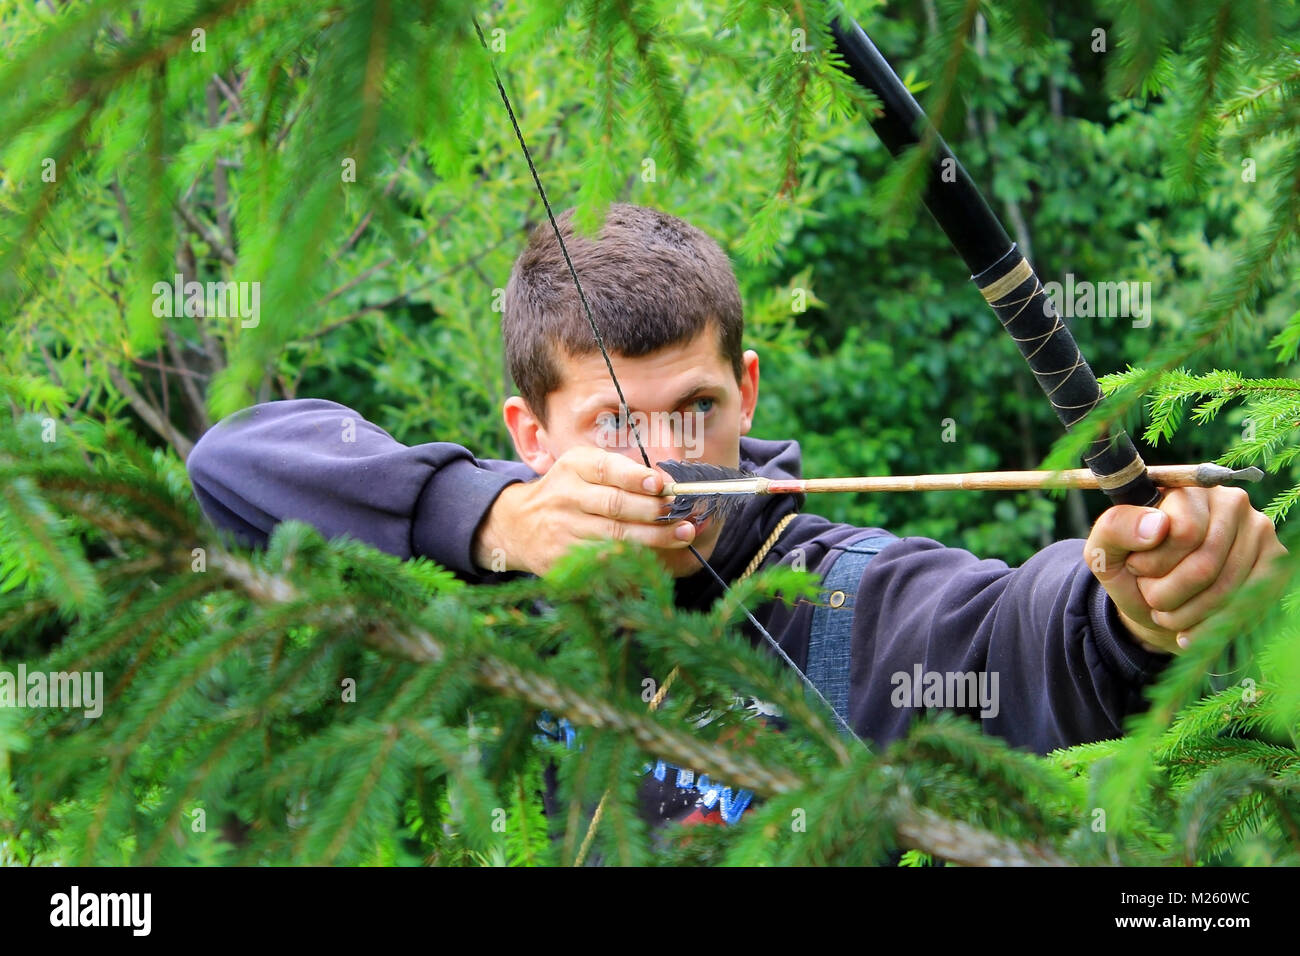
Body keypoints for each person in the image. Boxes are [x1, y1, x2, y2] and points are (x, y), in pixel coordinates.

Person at [186, 202, 1287, 832]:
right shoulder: (477, 554)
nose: (666, 463)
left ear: (747, 389)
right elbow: (233, 463)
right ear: (530, 431)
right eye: (617, 423)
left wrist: (1133, 602)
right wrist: (496, 523)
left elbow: (1026, 633)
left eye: (695, 410)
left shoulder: (857, 594)